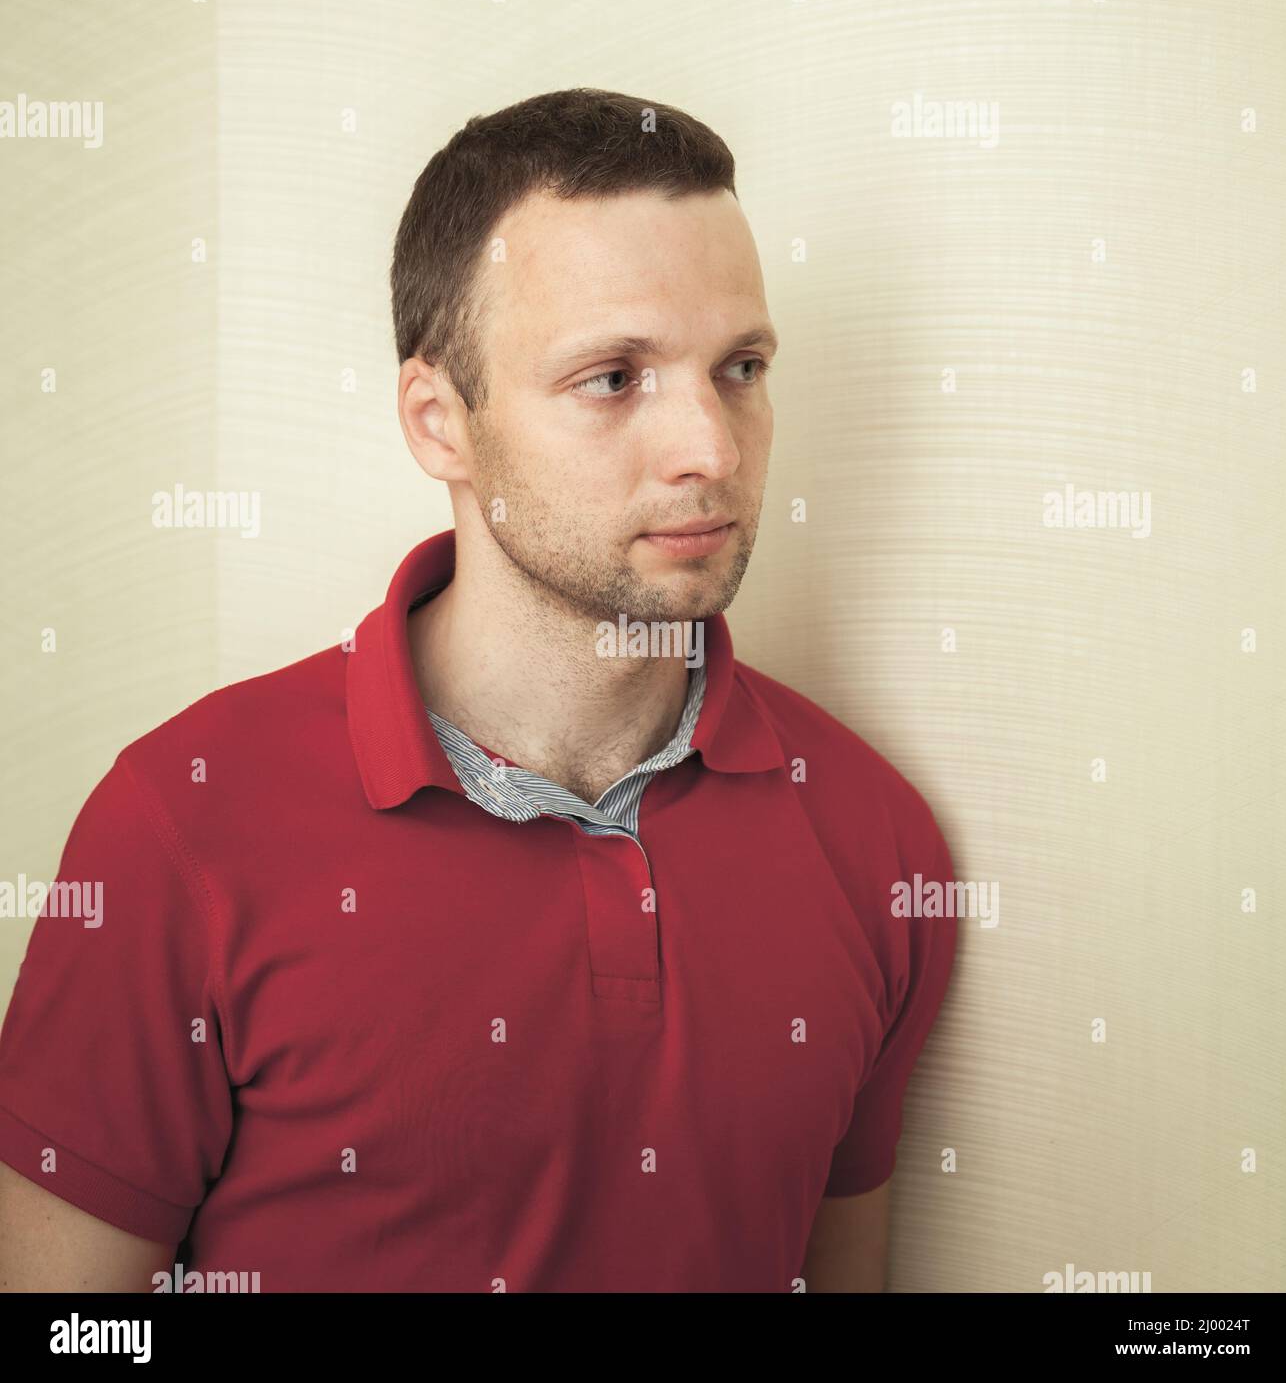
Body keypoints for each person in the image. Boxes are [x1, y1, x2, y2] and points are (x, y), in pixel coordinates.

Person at [0, 87, 957, 1293]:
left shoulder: (874, 838)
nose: (711, 447)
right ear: (439, 421)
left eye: (741, 367)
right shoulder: (178, 824)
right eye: (614, 377)